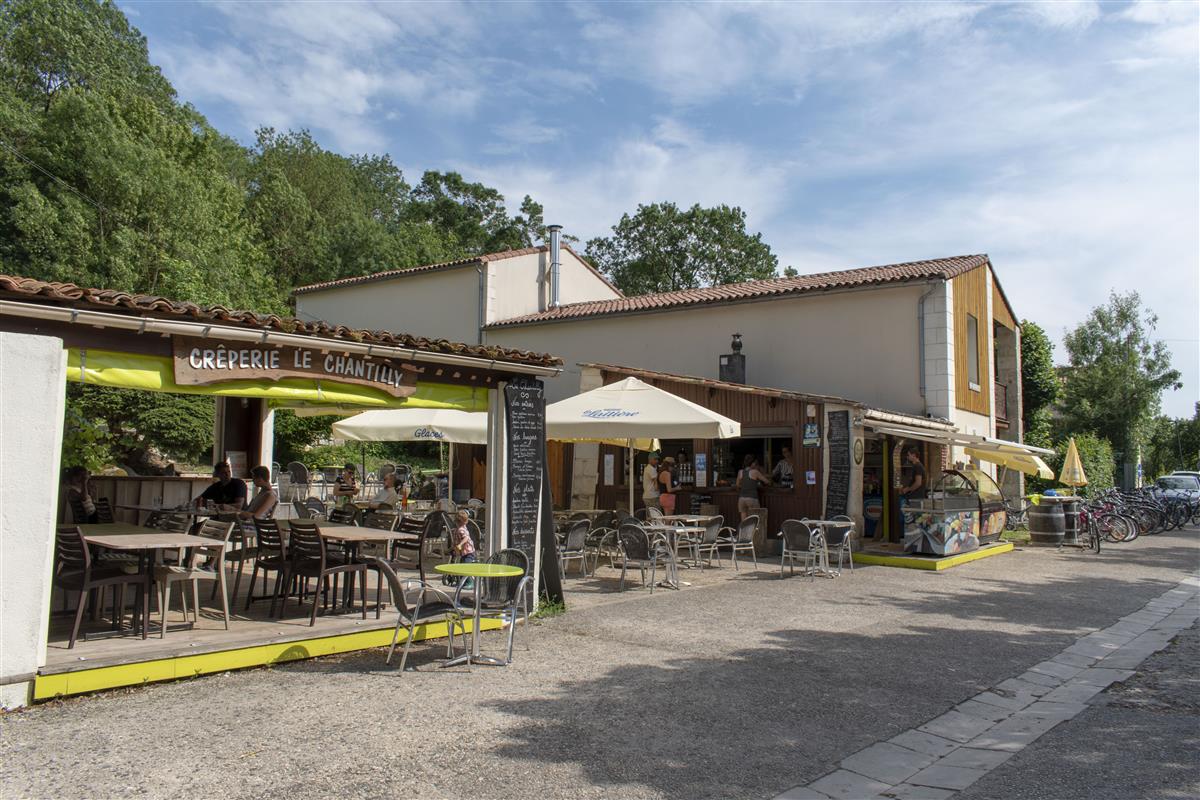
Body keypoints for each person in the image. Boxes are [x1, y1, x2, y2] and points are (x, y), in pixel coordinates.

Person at [736, 455, 771, 521]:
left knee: (744, 521)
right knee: (754, 520)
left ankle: (744, 531)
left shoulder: (740, 472)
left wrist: (745, 486)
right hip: (752, 498)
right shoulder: (755, 472)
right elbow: (767, 482)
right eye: (754, 463)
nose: (755, 464)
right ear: (752, 463)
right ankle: (754, 531)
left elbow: (737, 485)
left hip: (741, 499)